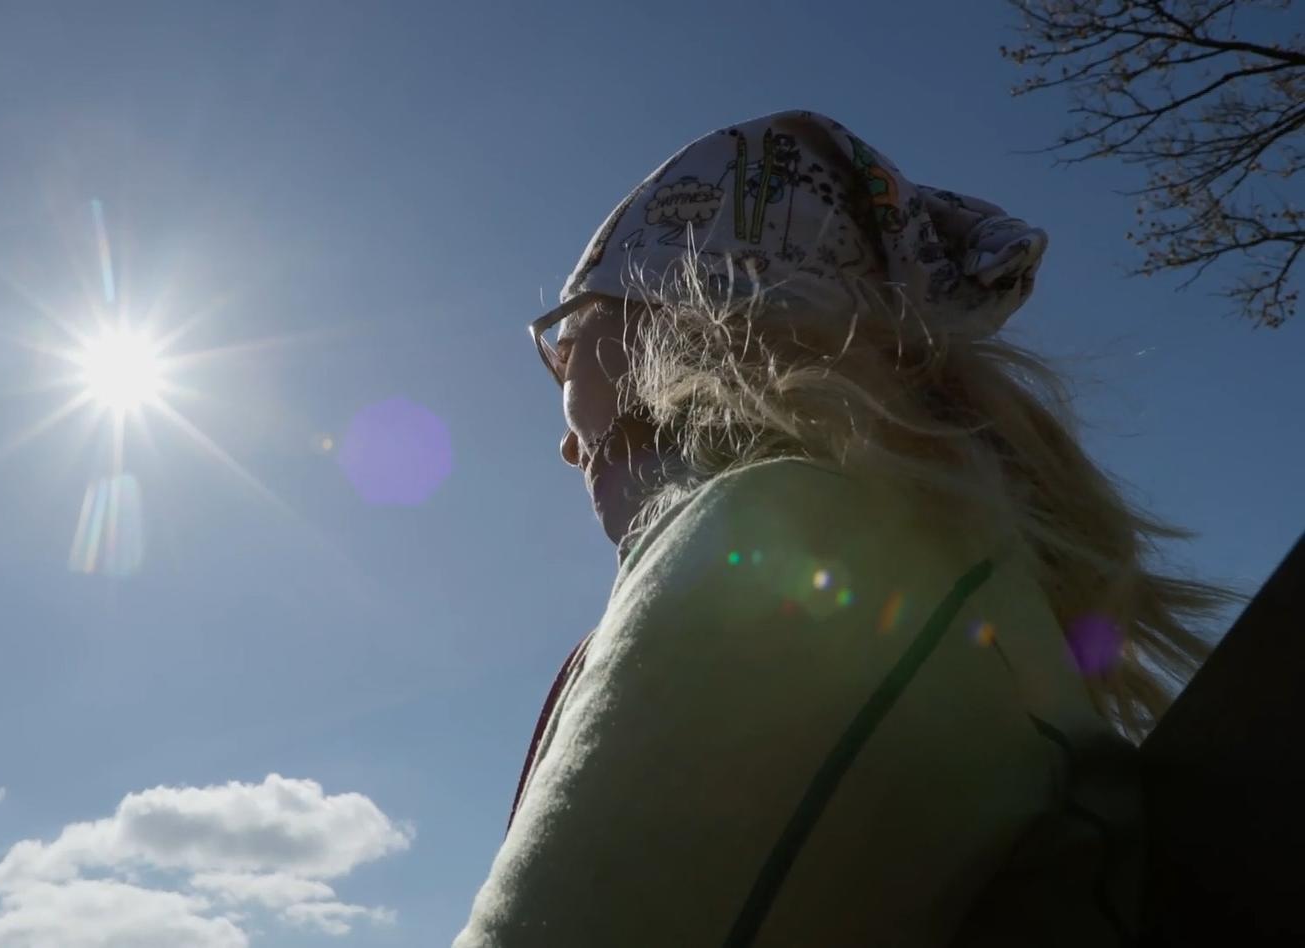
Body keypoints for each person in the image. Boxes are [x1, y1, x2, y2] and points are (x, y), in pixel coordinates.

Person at [452, 110, 1243, 947]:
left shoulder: (798, 536)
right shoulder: (937, 555)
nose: (567, 442)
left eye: (567, 341)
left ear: (671, 314)